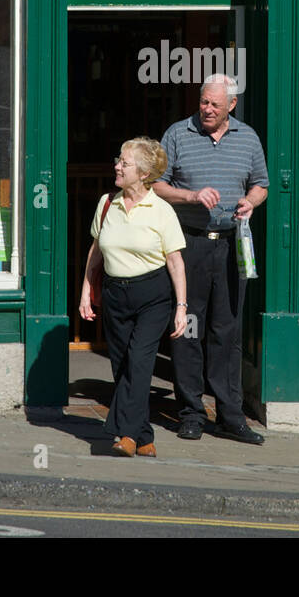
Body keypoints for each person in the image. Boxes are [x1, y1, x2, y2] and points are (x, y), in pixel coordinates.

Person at [153, 74, 268, 445]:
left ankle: (230, 416)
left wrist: (251, 201)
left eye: (215, 104)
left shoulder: (247, 137)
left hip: (232, 243)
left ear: (231, 106)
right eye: (204, 102)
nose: (207, 109)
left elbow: (261, 183)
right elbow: (155, 184)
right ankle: (190, 413)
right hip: (190, 245)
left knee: (227, 332)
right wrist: (189, 196)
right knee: (187, 329)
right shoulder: (177, 134)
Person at [78, 137, 189, 458]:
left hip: (152, 295)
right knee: (122, 365)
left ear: (142, 173)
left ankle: (124, 434)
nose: (117, 166)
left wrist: (181, 307)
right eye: (119, 160)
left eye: (124, 163)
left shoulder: (162, 210)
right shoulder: (107, 204)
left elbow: (175, 261)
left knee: (140, 362)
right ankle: (144, 435)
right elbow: (96, 250)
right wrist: (87, 290)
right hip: (115, 293)